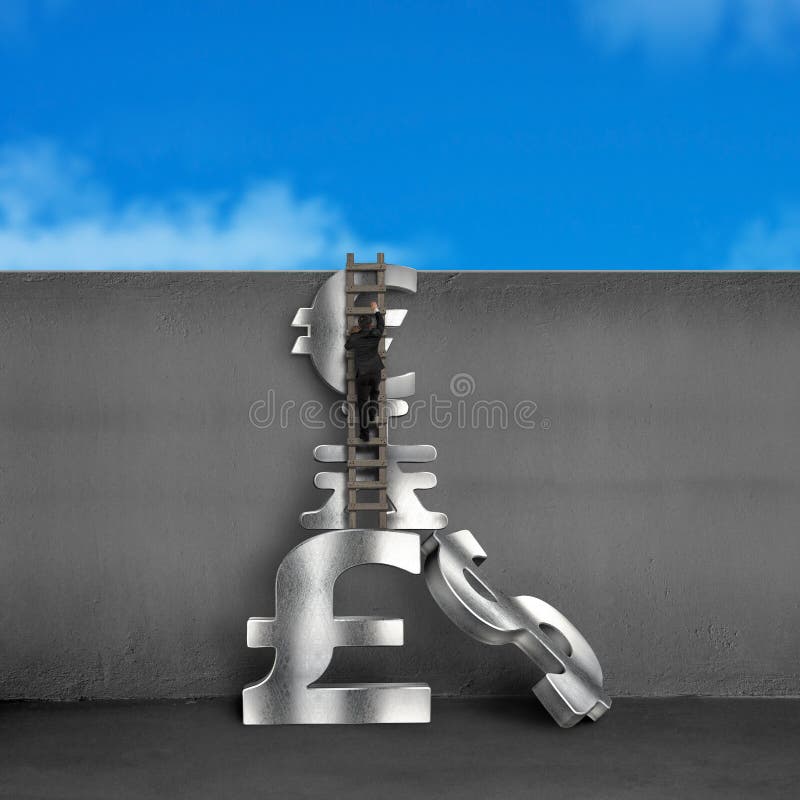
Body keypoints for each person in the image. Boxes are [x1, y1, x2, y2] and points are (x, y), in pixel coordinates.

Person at [344, 301, 385, 441]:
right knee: (375, 392)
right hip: (375, 370)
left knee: (362, 405)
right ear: (370, 324)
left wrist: (353, 333)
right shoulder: (376, 333)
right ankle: (373, 413)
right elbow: (381, 323)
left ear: (360, 325)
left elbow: (347, 346)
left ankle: (365, 435)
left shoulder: (355, 337)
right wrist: (376, 310)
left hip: (362, 374)